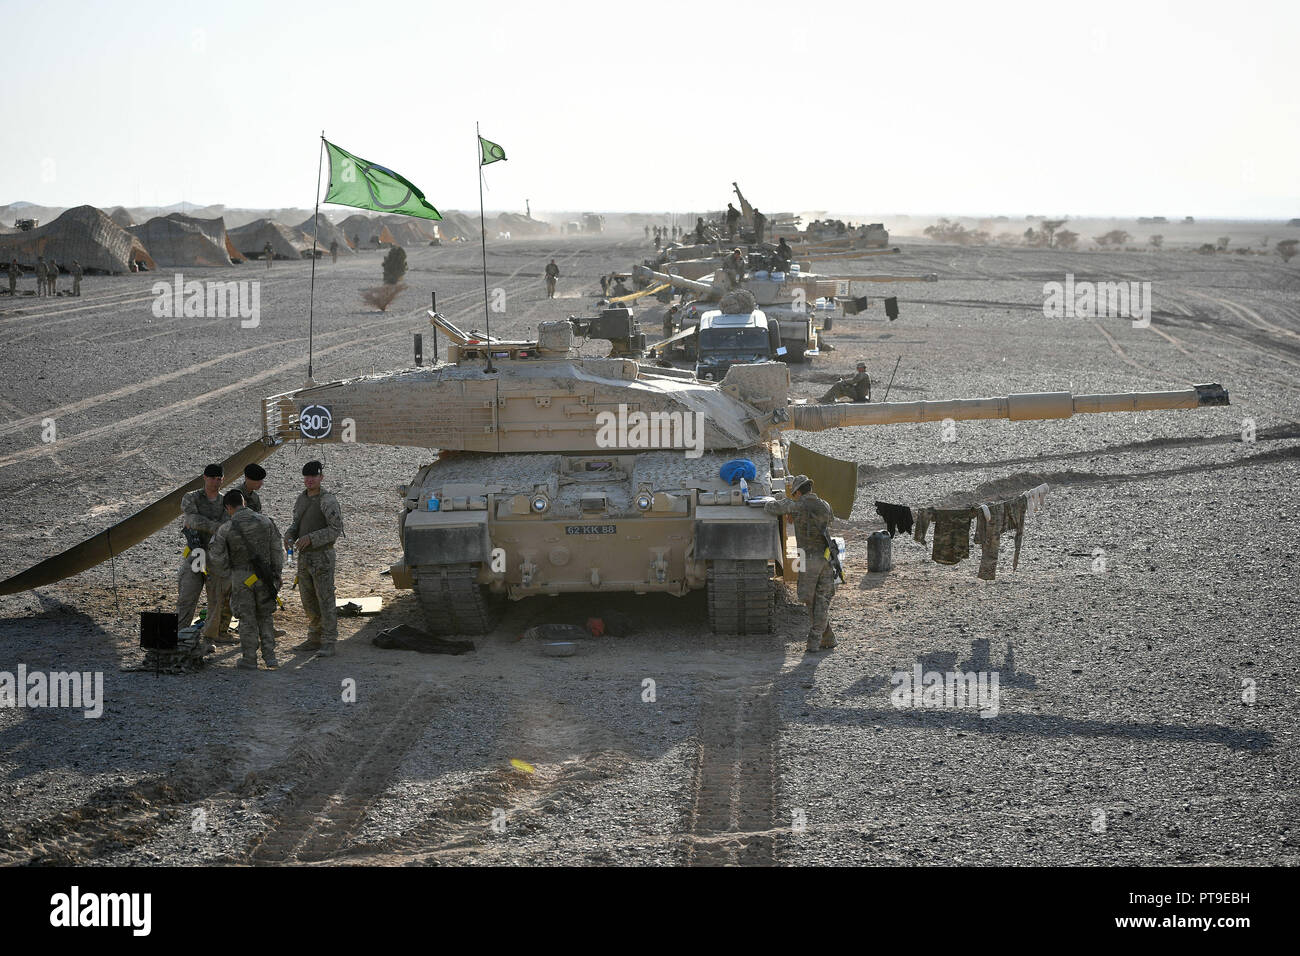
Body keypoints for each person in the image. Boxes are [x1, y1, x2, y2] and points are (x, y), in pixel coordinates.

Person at [209, 488, 284, 670]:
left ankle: (249, 658)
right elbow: (277, 549)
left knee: (247, 617)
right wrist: (276, 574)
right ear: (244, 502)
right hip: (264, 576)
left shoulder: (226, 528)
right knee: (265, 615)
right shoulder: (266, 521)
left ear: (228, 507)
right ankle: (270, 657)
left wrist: (228, 574)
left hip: (241, 576)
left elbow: (216, 556)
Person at [764, 476, 838, 653]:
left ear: (797, 491)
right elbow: (830, 520)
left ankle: (814, 641)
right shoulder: (825, 505)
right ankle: (827, 638)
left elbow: (770, 507)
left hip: (805, 557)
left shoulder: (795, 505)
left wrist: (790, 511)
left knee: (810, 599)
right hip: (826, 557)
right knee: (822, 598)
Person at [285, 460, 344, 656]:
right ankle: (314, 637)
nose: (309, 480)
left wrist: (312, 538)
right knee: (308, 599)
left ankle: (329, 640)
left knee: (325, 598)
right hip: (304, 557)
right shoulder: (302, 499)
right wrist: (290, 535)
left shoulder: (327, 500)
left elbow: (336, 529)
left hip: (322, 556)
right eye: (307, 476)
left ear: (321, 478)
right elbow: (296, 523)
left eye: (313, 476)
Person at [178, 463, 235, 644]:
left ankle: (211, 639)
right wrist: (215, 527)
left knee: (216, 601)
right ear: (204, 477)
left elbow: (227, 528)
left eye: (219, 479)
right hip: (196, 555)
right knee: (188, 596)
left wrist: (208, 526)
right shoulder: (191, 497)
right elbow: (191, 520)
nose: (215, 482)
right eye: (212, 478)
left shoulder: (225, 501)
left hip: (215, 558)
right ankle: (180, 636)